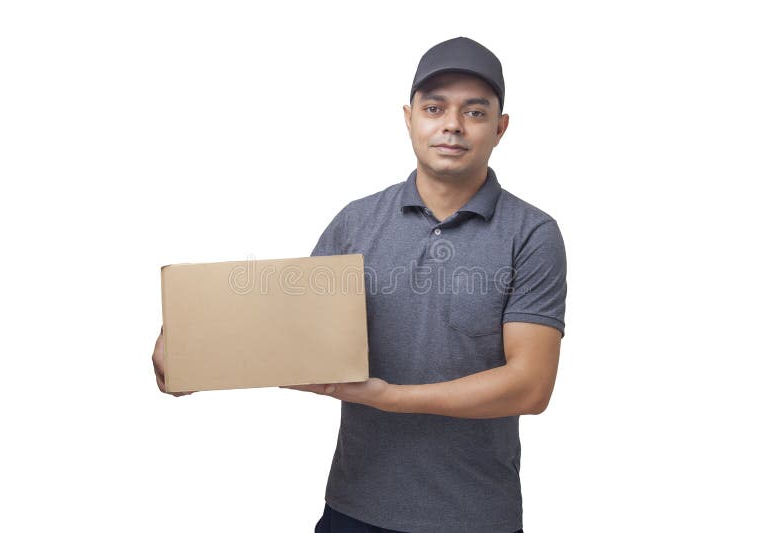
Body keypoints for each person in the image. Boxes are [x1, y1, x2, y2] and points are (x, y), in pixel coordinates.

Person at [152, 36, 567, 533]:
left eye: (474, 112)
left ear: (500, 128)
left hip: (474, 516)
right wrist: (195, 346)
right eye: (434, 108)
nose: (452, 125)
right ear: (409, 118)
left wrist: (390, 396)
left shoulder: (532, 234)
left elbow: (530, 385)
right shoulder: (356, 222)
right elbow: (291, 340)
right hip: (355, 509)